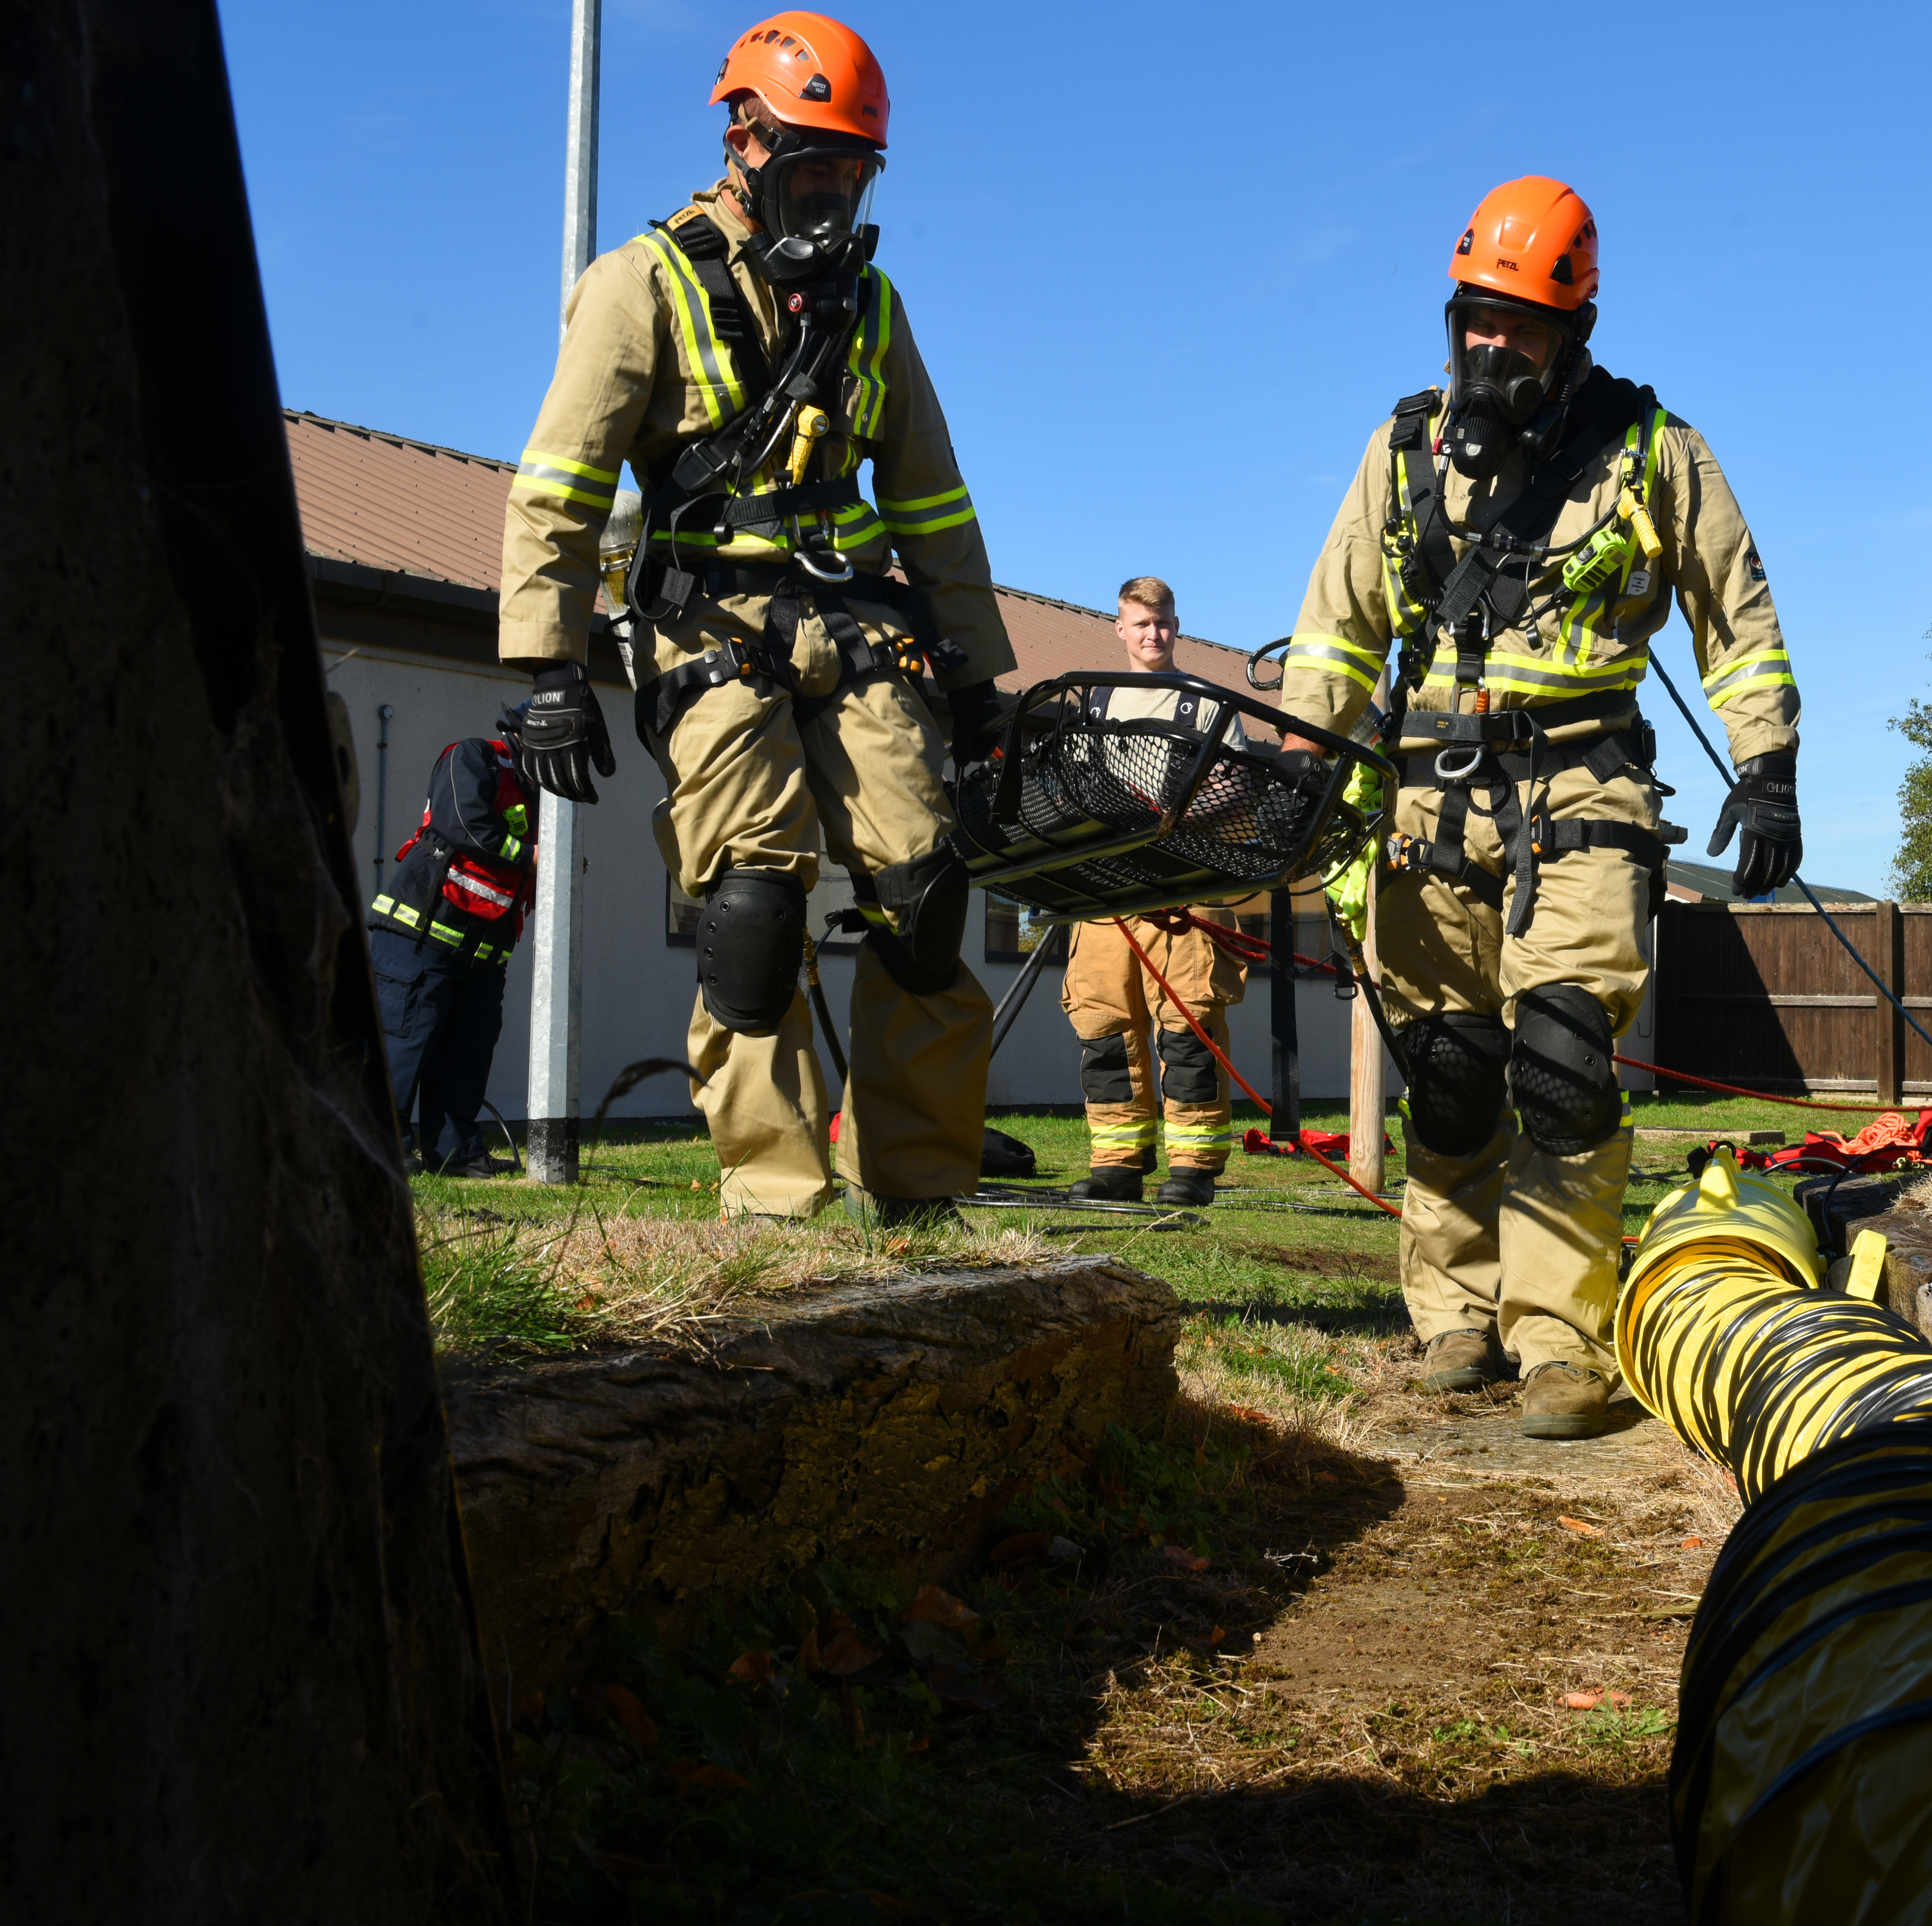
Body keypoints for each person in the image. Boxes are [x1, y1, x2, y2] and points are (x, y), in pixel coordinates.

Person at [1276, 178, 1804, 1439]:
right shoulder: (1400, 448)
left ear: (1575, 323)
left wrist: (1767, 759)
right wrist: (1308, 769)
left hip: (1583, 789)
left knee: (1563, 1064)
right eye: (1472, 319)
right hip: (1423, 797)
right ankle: (1455, 1314)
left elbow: (1735, 615)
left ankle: (1561, 1335)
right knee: (1450, 1076)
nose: (1487, 346)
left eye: (1516, 325)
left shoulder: (1653, 449)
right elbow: (1336, 631)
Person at [497, 12, 1017, 1221]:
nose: (832, 195)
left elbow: (935, 504)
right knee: (752, 908)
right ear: (744, 139)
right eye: (811, 167)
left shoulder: (874, 309)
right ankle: (777, 1206)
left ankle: (922, 1200)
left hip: (859, 625)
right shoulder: (641, 284)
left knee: (928, 896)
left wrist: (980, 680)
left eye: (852, 171)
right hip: (706, 624)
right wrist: (547, 667)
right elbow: (559, 484)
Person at [1059, 578, 1248, 1209]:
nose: (1153, 634)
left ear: (1177, 625)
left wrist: (1176, 814)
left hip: (1186, 893)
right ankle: (1118, 1163)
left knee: (1188, 1027)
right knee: (1104, 1027)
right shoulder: (1096, 703)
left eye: (1163, 623)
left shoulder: (1206, 702)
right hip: (1107, 896)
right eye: (1140, 624)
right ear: (1120, 629)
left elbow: (1236, 784)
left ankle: (1193, 1169)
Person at [368, 717, 537, 1176]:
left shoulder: (545, 794)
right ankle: (386, 1150)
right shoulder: (473, 757)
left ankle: (456, 1153)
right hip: (419, 938)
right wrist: (534, 857)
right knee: (406, 1042)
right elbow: (465, 825)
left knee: (468, 1050)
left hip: (484, 957)